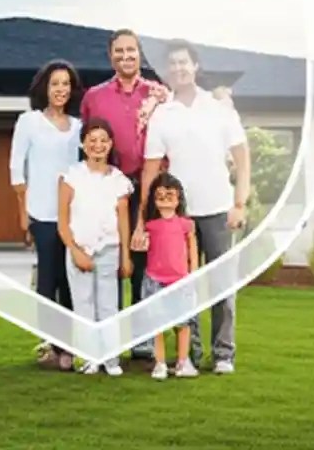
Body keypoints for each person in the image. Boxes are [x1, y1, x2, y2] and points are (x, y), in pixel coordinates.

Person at [79, 28, 232, 361]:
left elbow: (196, 104)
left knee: (153, 266)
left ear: (140, 55)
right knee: (117, 264)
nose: (125, 56)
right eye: (119, 51)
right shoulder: (94, 97)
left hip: (156, 191)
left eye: (131, 50)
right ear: (110, 56)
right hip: (113, 189)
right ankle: (110, 342)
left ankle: (148, 341)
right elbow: (87, 141)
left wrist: (222, 96)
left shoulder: (159, 94)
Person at [136, 38, 250, 375]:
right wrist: (144, 219)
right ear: (166, 71)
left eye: (184, 62)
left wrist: (239, 203)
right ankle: (191, 355)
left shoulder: (219, 108)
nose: (179, 68)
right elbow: (150, 171)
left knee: (221, 285)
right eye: (172, 64)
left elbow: (242, 159)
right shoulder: (162, 115)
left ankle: (223, 354)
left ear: (195, 66)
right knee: (184, 288)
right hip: (179, 216)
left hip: (218, 209)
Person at [9, 60, 83, 371]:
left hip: (74, 215)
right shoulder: (29, 122)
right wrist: (23, 215)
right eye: (55, 84)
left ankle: (69, 347)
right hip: (41, 213)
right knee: (47, 280)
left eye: (66, 84)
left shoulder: (79, 127)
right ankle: (51, 344)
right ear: (45, 88)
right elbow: (17, 170)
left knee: (70, 281)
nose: (60, 89)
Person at [57, 117, 134, 376]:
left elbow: (123, 221)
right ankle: (89, 357)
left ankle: (111, 359)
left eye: (103, 140)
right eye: (92, 140)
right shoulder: (71, 177)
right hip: (79, 248)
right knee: (84, 304)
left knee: (108, 305)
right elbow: (63, 222)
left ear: (110, 144)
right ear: (83, 144)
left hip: (109, 249)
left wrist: (125, 256)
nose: (98, 145)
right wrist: (75, 251)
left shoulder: (119, 180)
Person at [141, 171, 200, 380]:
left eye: (170, 195)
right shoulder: (149, 225)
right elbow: (141, 246)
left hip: (181, 280)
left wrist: (194, 273)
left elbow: (192, 248)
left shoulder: (186, 224)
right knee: (157, 323)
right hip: (154, 279)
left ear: (178, 198)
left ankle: (183, 361)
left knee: (183, 323)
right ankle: (160, 363)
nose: (165, 200)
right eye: (160, 196)